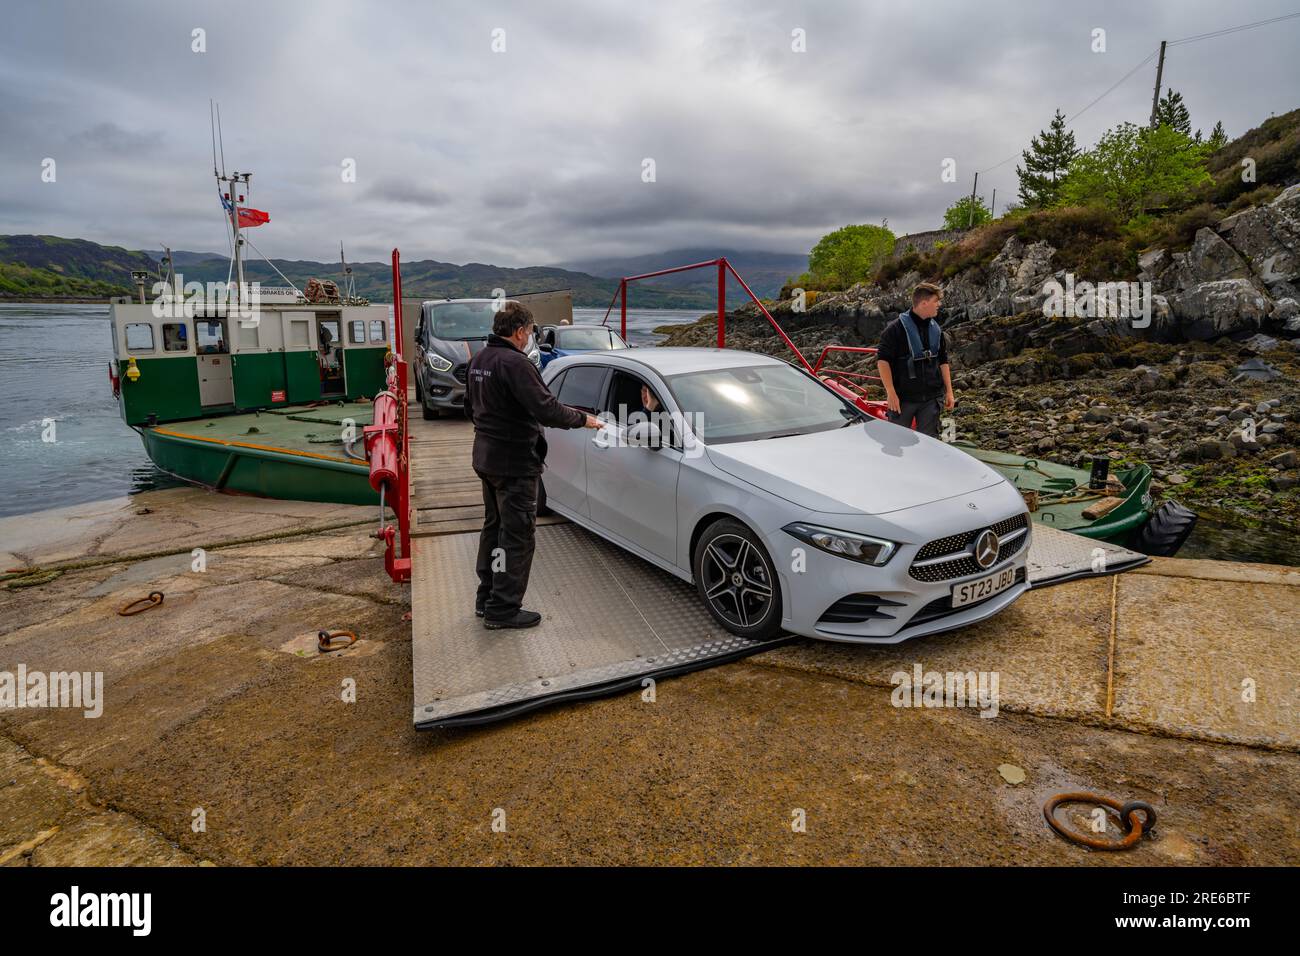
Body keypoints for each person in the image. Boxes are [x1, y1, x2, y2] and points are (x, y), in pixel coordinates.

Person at [464, 301, 601, 629]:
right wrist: (585, 420)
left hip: (486, 457)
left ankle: (487, 598)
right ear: (519, 331)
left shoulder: (480, 359)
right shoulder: (516, 364)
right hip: (514, 465)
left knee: (495, 529)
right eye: (528, 331)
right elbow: (547, 409)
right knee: (517, 536)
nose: (529, 337)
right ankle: (504, 609)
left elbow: (469, 407)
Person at [875, 282, 954, 438]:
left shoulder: (936, 330)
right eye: (936, 301)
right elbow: (882, 361)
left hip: (931, 398)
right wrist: (891, 393)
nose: (939, 305)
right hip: (903, 399)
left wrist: (949, 392)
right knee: (896, 440)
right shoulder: (894, 330)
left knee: (930, 441)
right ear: (924, 303)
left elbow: (943, 361)